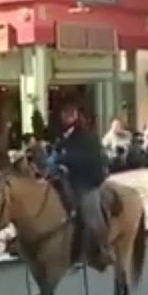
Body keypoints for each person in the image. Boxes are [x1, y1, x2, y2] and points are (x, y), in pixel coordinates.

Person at [53, 102, 112, 263]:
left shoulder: (86, 135)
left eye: (69, 114)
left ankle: (102, 248)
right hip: (67, 179)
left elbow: (85, 159)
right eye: (63, 114)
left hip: (86, 180)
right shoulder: (63, 135)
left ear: (75, 116)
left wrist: (64, 159)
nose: (65, 117)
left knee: (89, 214)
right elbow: (59, 150)